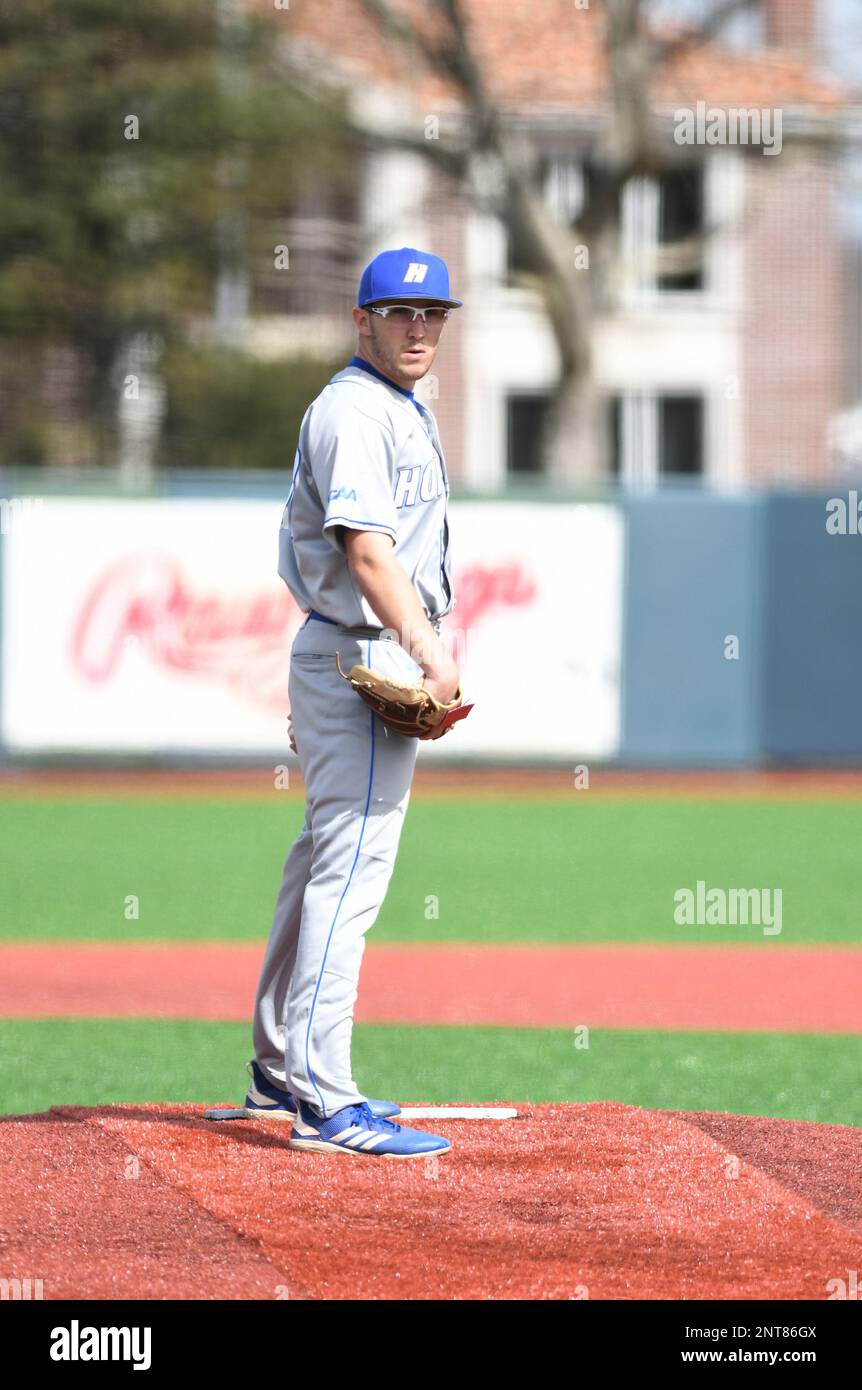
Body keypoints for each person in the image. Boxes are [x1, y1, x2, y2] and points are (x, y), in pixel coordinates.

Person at [245, 247, 463, 1158]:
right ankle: (324, 1100)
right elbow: (368, 554)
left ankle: (277, 1072)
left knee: (323, 857)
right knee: (351, 871)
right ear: (360, 317)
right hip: (363, 654)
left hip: (346, 655)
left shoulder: (394, 405)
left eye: (432, 313)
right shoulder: (353, 411)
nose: (417, 327)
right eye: (399, 311)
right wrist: (430, 652)